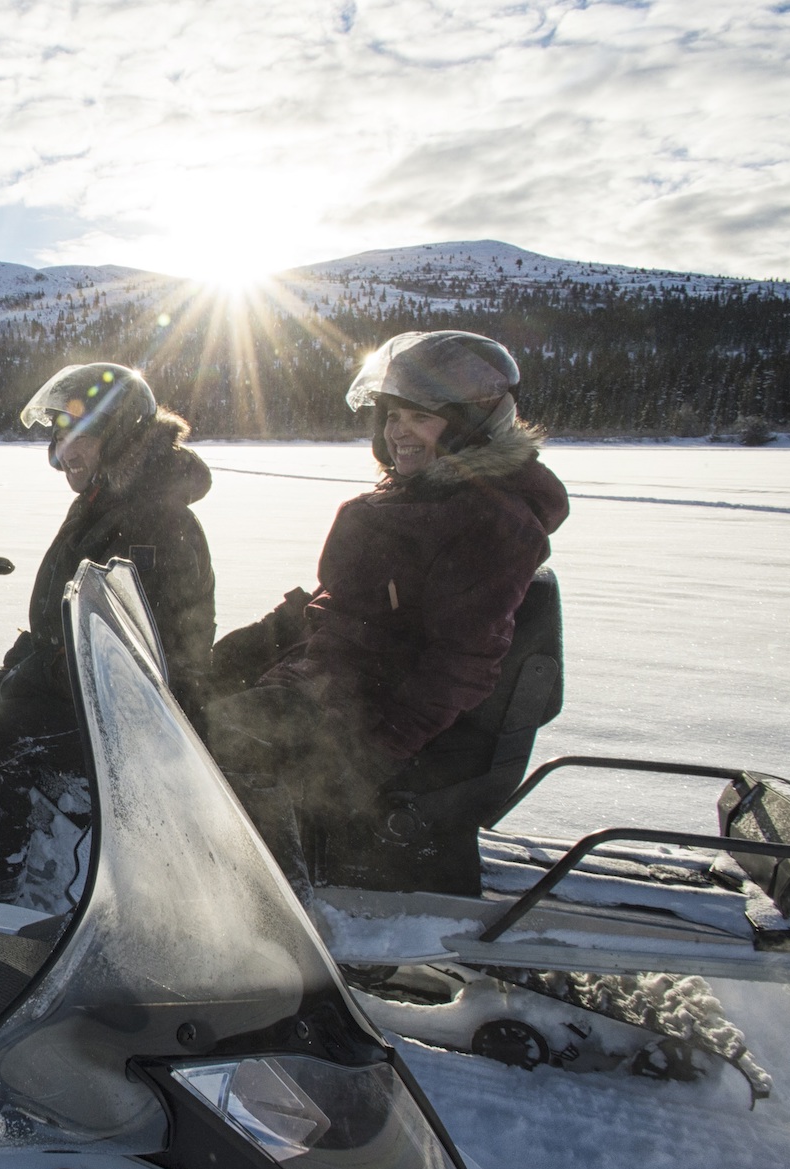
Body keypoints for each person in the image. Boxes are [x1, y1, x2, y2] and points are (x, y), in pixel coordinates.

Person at [207, 330, 570, 892]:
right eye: (393, 414)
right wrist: (247, 645)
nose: (399, 430)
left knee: (217, 751)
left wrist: (375, 754)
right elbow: (345, 605)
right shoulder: (414, 498)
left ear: (470, 422)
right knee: (191, 711)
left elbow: (464, 660)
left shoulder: (489, 520)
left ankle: (275, 914)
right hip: (335, 687)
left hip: (378, 716)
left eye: (420, 417)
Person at [0, 362, 215, 901]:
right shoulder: (104, 504)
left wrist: (33, 674)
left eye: (78, 433)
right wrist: (16, 664)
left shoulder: (156, 522)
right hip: (93, 686)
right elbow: (62, 615)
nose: (64, 450)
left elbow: (137, 655)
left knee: (1, 740)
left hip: (148, 711)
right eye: (59, 434)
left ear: (121, 434)